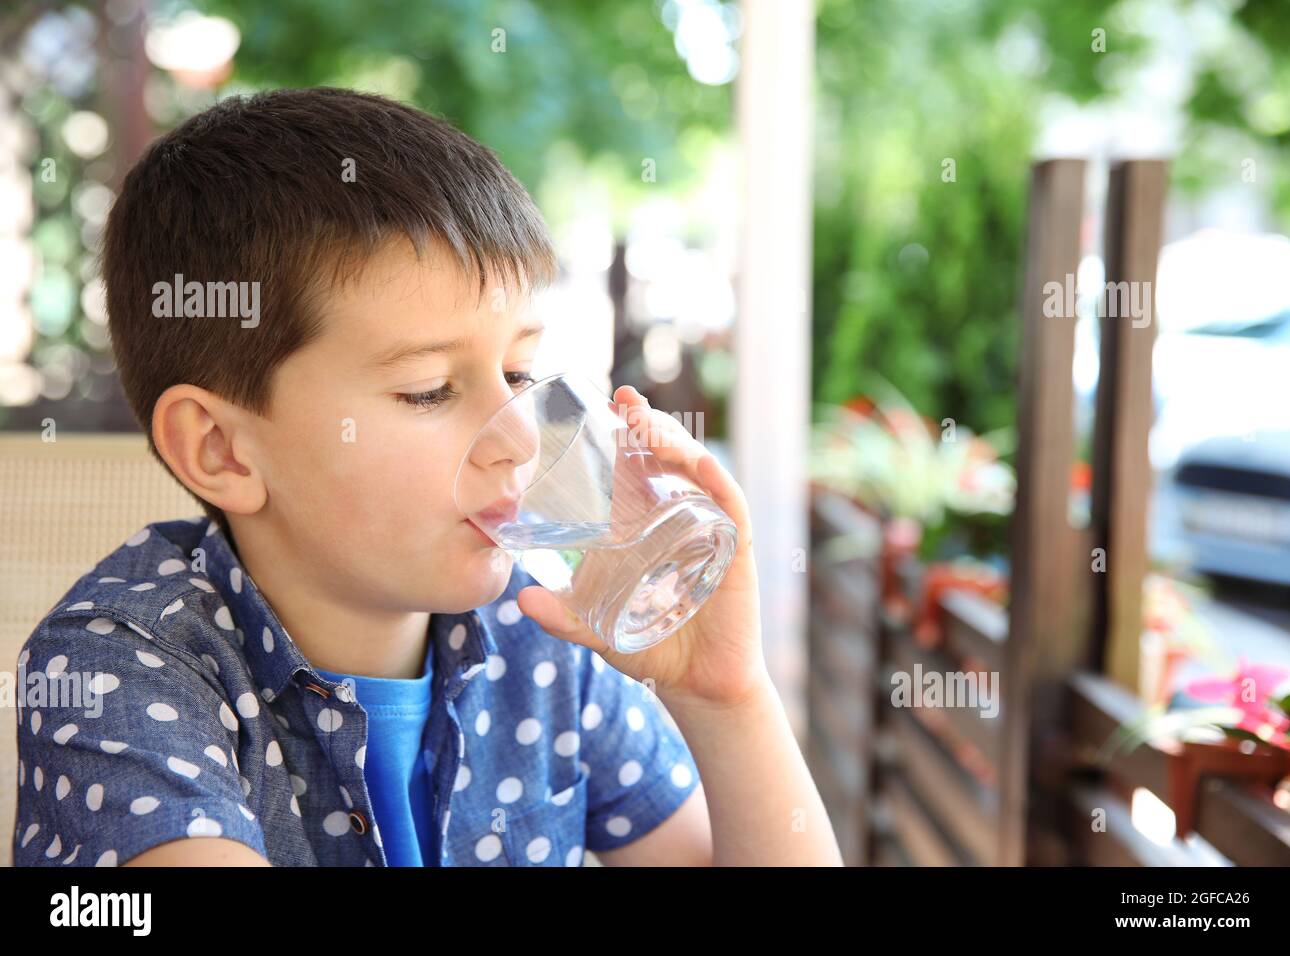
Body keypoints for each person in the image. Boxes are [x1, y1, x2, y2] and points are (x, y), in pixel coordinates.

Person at [12, 88, 842, 867]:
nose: (519, 435)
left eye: (519, 374)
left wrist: (726, 700)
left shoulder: (542, 641)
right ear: (223, 450)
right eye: (429, 390)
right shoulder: (117, 669)